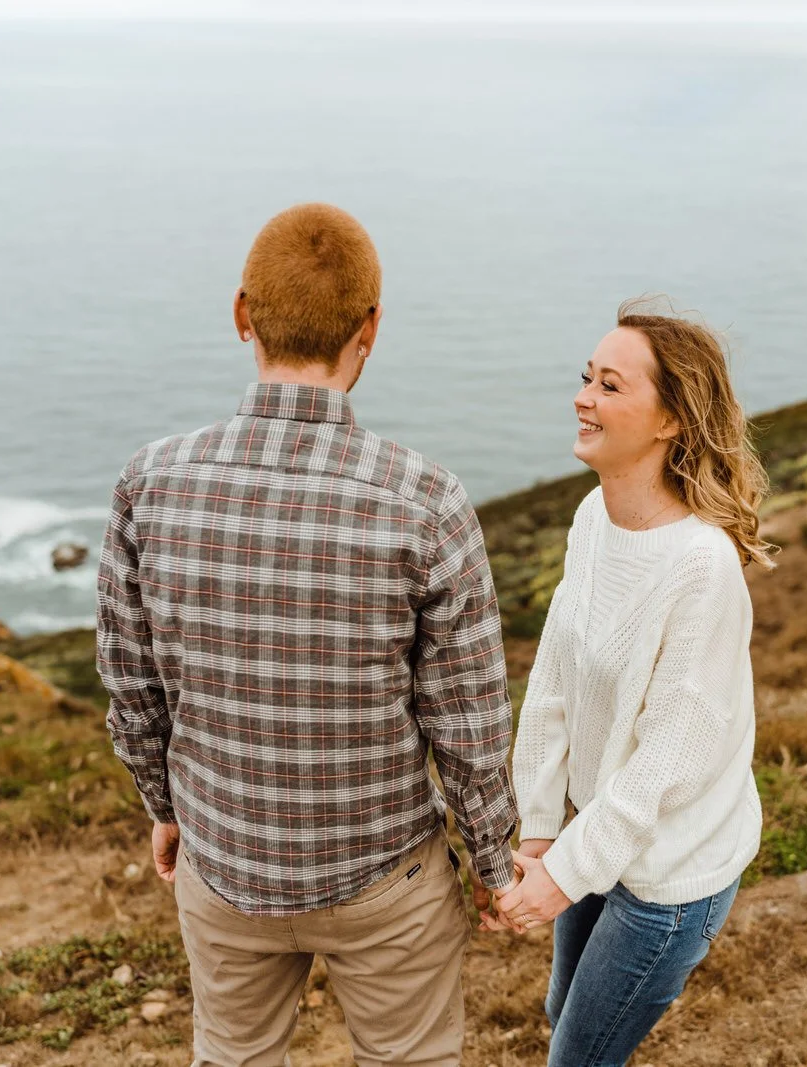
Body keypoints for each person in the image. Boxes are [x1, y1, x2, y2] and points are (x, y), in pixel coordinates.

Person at [96, 203, 519, 1067]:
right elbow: (468, 725)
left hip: (223, 864)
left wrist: (165, 809)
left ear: (242, 312)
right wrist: (493, 859)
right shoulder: (426, 501)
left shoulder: (150, 482)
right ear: (371, 328)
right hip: (387, 878)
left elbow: (131, 689)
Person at [494, 301, 773, 1066]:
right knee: (562, 1011)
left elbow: (664, 763)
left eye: (610, 386)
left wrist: (563, 875)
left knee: (577, 1056)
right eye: (587, 378)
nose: (583, 398)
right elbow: (553, 679)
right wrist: (541, 830)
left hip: (670, 874)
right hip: (600, 831)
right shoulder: (593, 517)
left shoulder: (701, 566)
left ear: (670, 420)